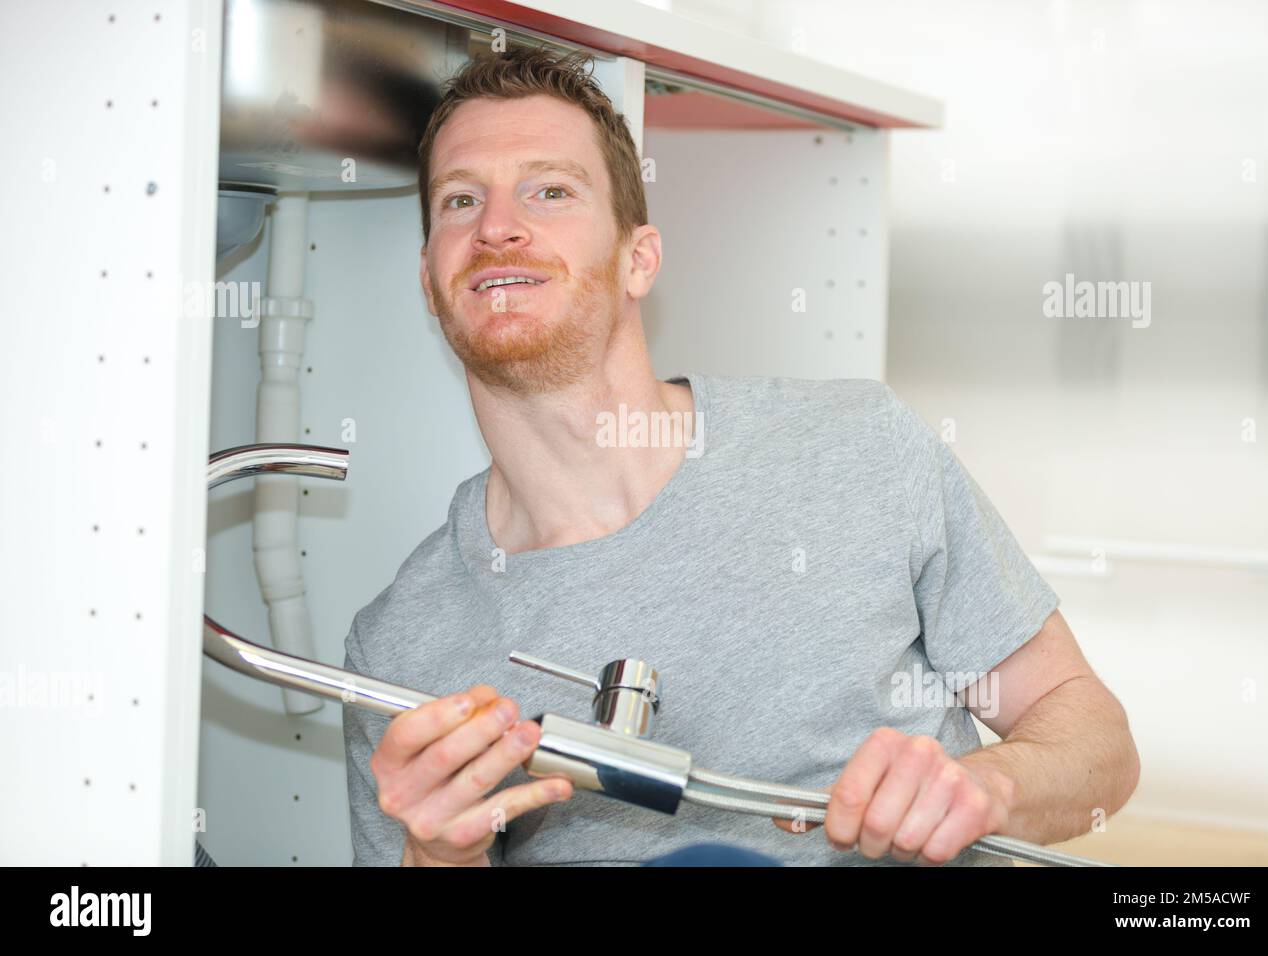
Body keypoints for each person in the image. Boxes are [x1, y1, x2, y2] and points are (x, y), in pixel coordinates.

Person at [343, 46, 1140, 868]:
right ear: (431, 279)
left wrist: (991, 788)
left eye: (550, 190)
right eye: (461, 199)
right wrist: (439, 856)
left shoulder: (859, 448)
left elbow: (1095, 742)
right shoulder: (402, 649)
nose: (498, 226)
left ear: (637, 259)